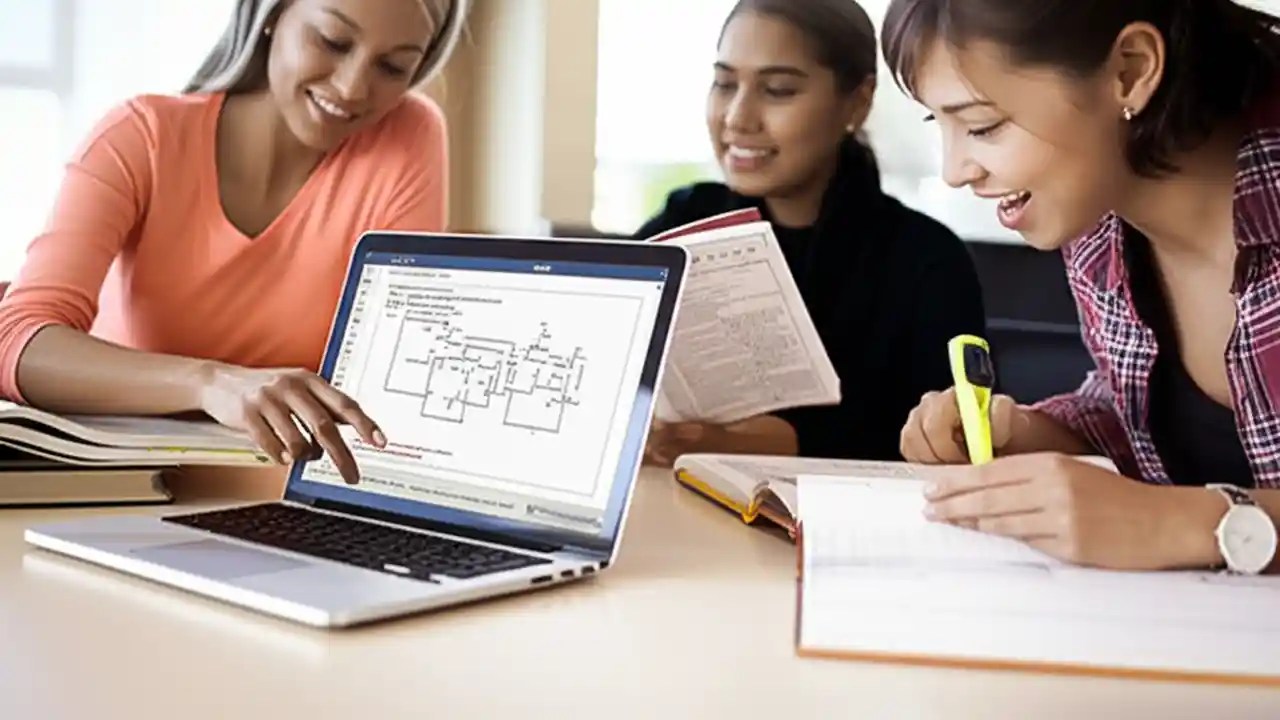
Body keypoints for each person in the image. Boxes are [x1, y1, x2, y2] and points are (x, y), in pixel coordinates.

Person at [0, 0, 468, 493]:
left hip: (285, 499)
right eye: (332, 41)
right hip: (121, 491)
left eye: (393, 67)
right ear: (270, 15)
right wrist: (210, 384)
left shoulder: (407, 135)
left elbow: (399, 366)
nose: (353, 88)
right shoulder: (142, 136)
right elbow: (16, 339)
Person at [886, 0, 1280, 573]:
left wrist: (1182, 522)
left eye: (981, 126)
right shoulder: (1099, 231)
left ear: (1130, 70)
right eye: (938, 123)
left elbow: (1158, 512)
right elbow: (1126, 410)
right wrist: (1024, 434)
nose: (955, 170)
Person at [636, 0, 987, 467]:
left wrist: (775, 442)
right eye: (724, 83)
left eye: (778, 90)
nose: (738, 117)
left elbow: (956, 443)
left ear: (858, 102)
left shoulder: (927, 261)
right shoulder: (683, 221)